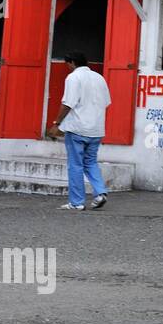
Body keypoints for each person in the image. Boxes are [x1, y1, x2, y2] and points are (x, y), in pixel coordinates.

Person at [46, 51, 111, 211]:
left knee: (75, 165)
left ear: (72, 63)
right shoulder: (99, 78)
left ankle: (77, 202)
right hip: (96, 129)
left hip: (77, 129)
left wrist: (56, 123)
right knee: (90, 162)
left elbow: (68, 103)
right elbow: (107, 102)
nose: (68, 67)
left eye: (68, 64)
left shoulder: (73, 78)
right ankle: (100, 193)